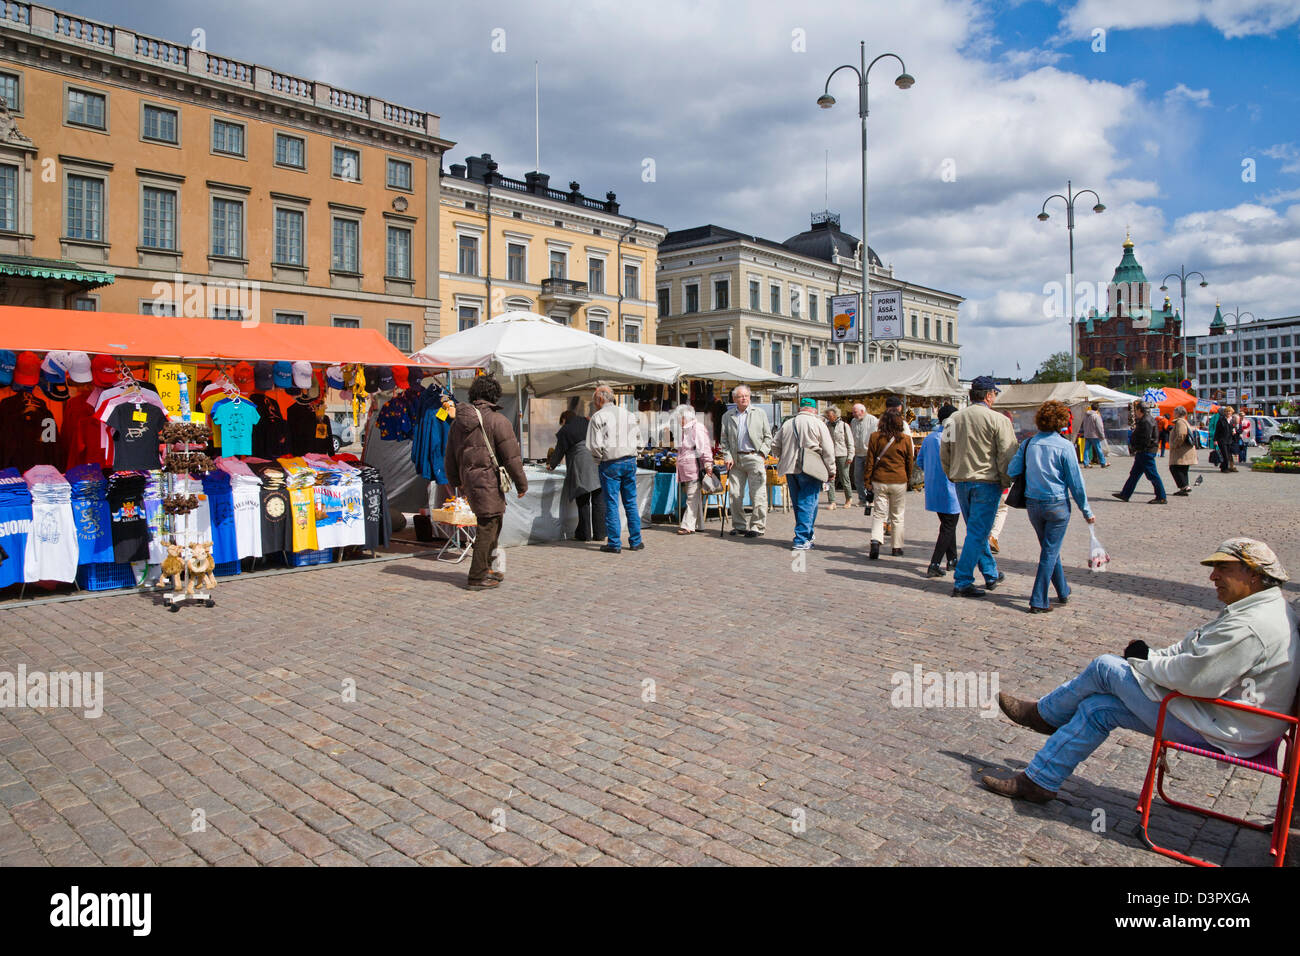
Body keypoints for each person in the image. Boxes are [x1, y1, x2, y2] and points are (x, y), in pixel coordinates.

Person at [983, 538, 1299, 803]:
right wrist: (1150, 656)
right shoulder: (1259, 606)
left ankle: (1044, 715)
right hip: (1232, 720)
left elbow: (1196, 678)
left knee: (1105, 668)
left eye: (1223, 569)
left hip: (1226, 728)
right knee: (1098, 708)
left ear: (1254, 574)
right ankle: (1040, 781)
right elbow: (1194, 649)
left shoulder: (1251, 624)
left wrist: (1145, 662)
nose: (1213, 576)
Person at [1007, 400, 1096, 613]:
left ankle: (1063, 590)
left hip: (1033, 504)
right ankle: (1038, 599)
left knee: (1049, 548)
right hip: (1056, 504)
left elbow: (1012, 470)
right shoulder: (1065, 446)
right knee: (1049, 550)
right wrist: (1086, 510)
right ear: (1061, 422)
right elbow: (1076, 483)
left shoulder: (1028, 444)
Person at [443, 374, 528, 591]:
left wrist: (456, 481)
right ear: (494, 395)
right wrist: (521, 484)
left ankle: (488, 567)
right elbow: (512, 457)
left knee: (493, 521)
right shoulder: (497, 420)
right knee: (488, 525)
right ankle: (476, 576)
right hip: (488, 479)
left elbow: (450, 455)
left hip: (471, 480)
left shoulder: (458, 422)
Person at [940, 376, 1019, 598]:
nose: (994, 398)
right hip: (987, 481)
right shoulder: (999, 420)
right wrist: (1006, 481)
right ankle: (963, 579)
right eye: (994, 394)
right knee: (977, 532)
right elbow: (1007, 454)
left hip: (961, 481)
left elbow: (944, 451)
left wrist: (952, 473)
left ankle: (991, 573)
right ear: (988, 395)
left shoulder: (953, 419)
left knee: (976, 531)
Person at [771, 397, 836, 551]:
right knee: (808, 502)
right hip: (811, 468)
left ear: (800, 409)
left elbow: (774, 445)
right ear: (814, 410)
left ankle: (807, 534)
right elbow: (828, 450)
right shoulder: (818, 423)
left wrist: (784, 455)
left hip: (790, 468)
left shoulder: (788, 423)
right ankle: (801, 538)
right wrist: (831, 470)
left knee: (799, 503)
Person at [587, 385, 646, 553]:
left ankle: (614, 543)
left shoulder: (598, 417)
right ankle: (636, 541)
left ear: (599, 399)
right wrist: (635, 454)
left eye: (595, 401)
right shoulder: (628, 414)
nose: (595, 404)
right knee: (630, 502)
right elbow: (639, 440)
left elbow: (594, 445)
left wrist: (599, 459)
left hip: (610, 463)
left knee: (611, 503)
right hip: (629, 461)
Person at [546, 398, 603, 542]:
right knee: (598, 499)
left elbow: (559, 451)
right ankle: (600, 534)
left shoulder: (565, 430)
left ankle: (585, 534)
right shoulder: (587, 422)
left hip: (581, 464)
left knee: (583, 500)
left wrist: (551, 465)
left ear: (564, 419)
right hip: (597, 462)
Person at [720, 384, 772, 538]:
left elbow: (768, 436)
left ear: (750, 397)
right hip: (736, 459)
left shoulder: (759, 413)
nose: (744, 398)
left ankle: (757, 526)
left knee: (758, 495)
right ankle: (740, 525)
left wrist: (762, 454)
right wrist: (727, 456)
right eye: (740, 396)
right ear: (734, 399)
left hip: (754, 456)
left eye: (746, 396)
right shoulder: (727, 416)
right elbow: (724, 439)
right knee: (735, 495)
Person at [863, 408, 915, 559]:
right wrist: (907, 477)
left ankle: (875, 540)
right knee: (897, 515)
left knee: (879, 513)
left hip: (879, 480)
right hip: (899, 480)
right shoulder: (905, 439)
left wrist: (867, 480)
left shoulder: (875, 437)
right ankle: (896, 547)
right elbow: (909, 461)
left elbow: (870, 461)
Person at [919, 403, 961, 578]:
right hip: (950, 489)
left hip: (933, 488)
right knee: (948, 526)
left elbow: (920, 461)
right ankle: (935, 563)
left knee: (947, 525)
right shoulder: (951, 437)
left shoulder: (929, 438)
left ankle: (952, 559)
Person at [1111, 402, 1168, 504]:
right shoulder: (1147, 419)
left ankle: (1161, 496)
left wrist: (1137, 447)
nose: (1135, 412)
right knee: (1134, 474)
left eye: (1136, 410)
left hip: (1145, 451)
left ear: (1140, 410)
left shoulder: (1146, 421)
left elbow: (1146, 438)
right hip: (1144, 451)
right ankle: (1125, 494)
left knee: (1152, 475)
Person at [673, 404, 714, 534]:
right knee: (694, 496)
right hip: (686, 469)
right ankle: (699, 524)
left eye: (680, 417)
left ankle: (687, 526)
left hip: (694, 468)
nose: (678, 420)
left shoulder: (698, 428)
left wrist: (708, 464)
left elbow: (705, 448)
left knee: (691, 497)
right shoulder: (684, 430)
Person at [824, 406, 854, 510]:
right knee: (829, 478)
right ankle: (832, 501)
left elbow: (850, 442)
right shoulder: (826, 426)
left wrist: (850, 456)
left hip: (842, 454)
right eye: (827, 415)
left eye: (830, 415)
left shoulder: (844, 426)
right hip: (830, 455)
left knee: (844, 478)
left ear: (836, 415)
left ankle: (849, 498)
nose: (828, 417)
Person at [850, 402, 878, 508]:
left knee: (870, 478)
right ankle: (862, 498)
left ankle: (871, 499)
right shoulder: (853, 421)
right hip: (858, 453)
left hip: (869, 453)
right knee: (857, 477)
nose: (853, 414)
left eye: (855, 412)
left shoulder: (872, 420)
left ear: (862, 411)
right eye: (853, 412)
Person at [1166, 405, 1197, 496]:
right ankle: (1184, 487)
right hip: (1185, 450)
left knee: (1175, 468)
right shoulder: (1184, 421)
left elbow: (1181, 435)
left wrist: (1174, 445)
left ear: (1178, 413)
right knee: (1182, 469)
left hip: (1181, 451)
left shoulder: (1180, 422)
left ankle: (1184, 486)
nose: (1173, 414)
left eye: (1174, 412)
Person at [1080, 401, 1109, 469]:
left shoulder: (1086, 415)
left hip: (1087, 434)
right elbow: (1100, 427)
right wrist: (1102, 435)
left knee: (1086, 449)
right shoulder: (1096, 416)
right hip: (1094, 435)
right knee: (1098, 449)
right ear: (1097, 409)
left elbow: (1083, 425)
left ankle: (1086, 463)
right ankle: (1103, 462)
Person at [1214, 404, 1236, 473]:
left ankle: (1223, 466)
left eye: (1229, 411)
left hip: (1229, 440)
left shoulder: (1232, 420)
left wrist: (1234, 431)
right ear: (1225, 412)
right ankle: (1224, 469)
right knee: (1225, 455)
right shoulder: (1221, 420)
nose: (1228, 413)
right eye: (1227, 411)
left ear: (1232, 412)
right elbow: (1217, 430)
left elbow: (1233, 428)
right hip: (1222, 440)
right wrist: (1215, 440)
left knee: (1228, 455)